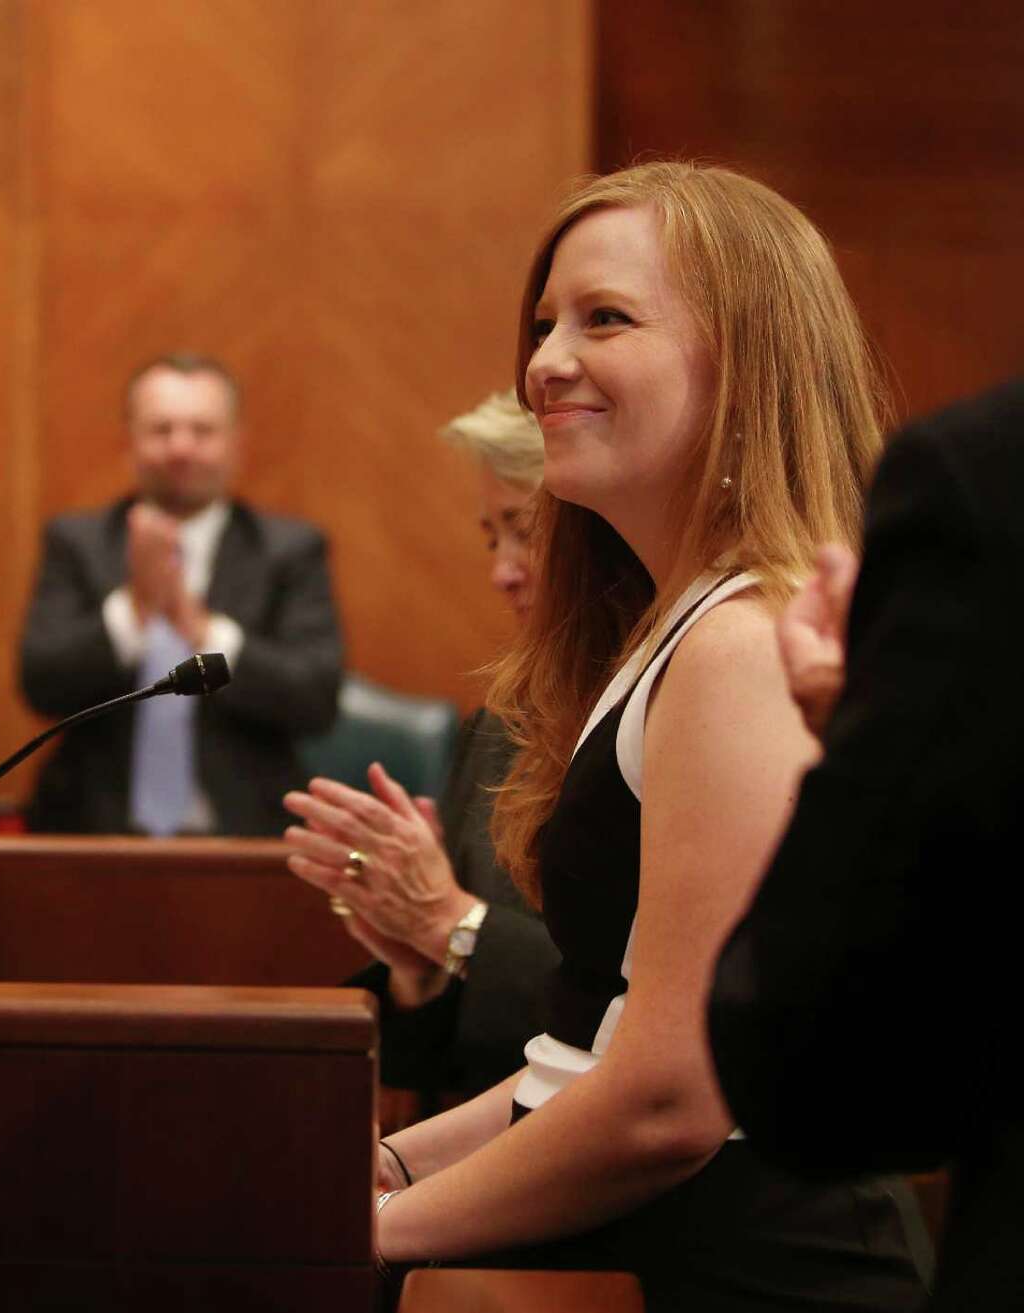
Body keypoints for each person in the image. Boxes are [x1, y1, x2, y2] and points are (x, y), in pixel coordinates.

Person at [284, 163, 927, 1310]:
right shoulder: (676, 628)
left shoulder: (737, 642)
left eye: (606, 319)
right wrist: (387, 1166)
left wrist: (367, 1226)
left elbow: (670, 1098)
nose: (545, 363)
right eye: (543, 325)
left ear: (746, 360)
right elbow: (585, 1053)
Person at [710, 378, 1024, 1311]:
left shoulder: (983, 483)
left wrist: (857, 741)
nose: (548, 364)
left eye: (605, 319)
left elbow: (824, 1074)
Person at [286, 391, 558, 1108]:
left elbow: (642, 1016)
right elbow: (430, 1057)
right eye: (490, 537)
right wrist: (421, 966)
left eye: (523, 530)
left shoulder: (672, 711)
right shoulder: (499, 726)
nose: (502, 568)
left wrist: (453, 926)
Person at [17, 352, 343, 836]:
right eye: (162, 429)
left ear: (236, 443)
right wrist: (133, 610)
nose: (181, 447)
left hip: (244, 833)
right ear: (129, 441)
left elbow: (314, 699)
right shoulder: (77, 542)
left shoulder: (289, 551)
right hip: (92, 830)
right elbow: (40, 682)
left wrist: (201, 629)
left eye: (202, 430)